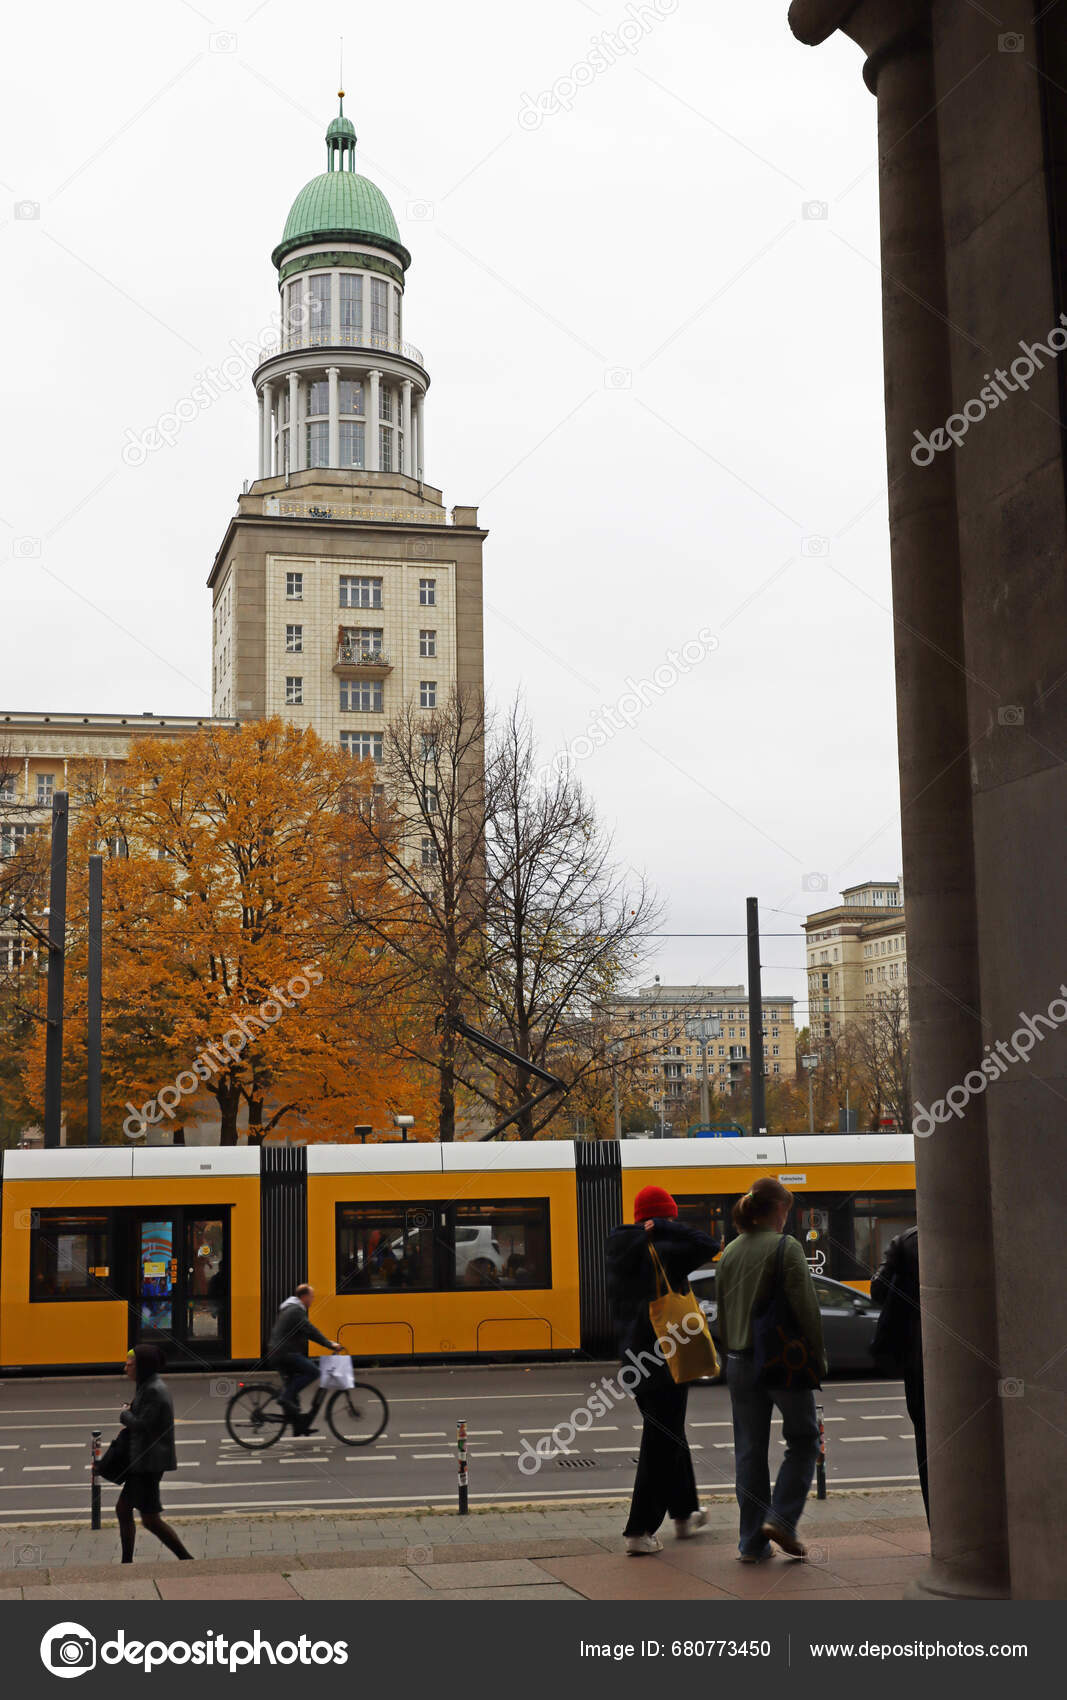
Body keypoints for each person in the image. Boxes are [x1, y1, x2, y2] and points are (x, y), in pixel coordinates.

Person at [715, 1177, 826, 1563]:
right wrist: (818, 1357)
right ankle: (781, 1519)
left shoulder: (729, 1252)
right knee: (804, 1439)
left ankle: (751, 1543)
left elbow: (724, 1315)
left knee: (749, 1451)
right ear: (778, 1210)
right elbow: (807, 1309)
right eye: (787, 1210)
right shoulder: (786, 1247)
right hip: (780, 1362)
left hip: (739, 1363)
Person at [606, 1185, 719, 1556]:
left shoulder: (620, 1251)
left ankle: (685, 1513)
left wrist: (649, 1227)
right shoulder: (668, 1250)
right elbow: (708, 1244)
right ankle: (639, 1530)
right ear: (665, 1216)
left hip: (634, 1362)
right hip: (667, 1356)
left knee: (669, 1434)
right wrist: (668, 1228)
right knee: (660, 1442)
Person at [116, 1344, 193, 1564]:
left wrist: (125, 1415)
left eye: (129, 1365)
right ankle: (128, 1561)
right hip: (145, 1460)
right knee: (129, 1510)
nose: (125, 1368)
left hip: (149, 1462)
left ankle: (185, 1558)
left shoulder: (153, 1390)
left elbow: (143, 1425)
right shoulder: (147, 1385)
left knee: (148, 1518)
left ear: (142, 1366)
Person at [871, 1225, 927, 1520]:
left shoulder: (905, 1242)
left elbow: (878, 1291)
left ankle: (940, 1526)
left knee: (927, 1443)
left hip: (919, 1357)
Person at [265, 1283, 340, 1436]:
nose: (313, 1300)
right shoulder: (296, 1311)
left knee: (293, 1388)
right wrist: (329, 1344)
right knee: (313, 1372)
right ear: (304, 1297)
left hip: (279, 1352)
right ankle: (285, 1398)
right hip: (285, 1353)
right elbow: (310, 1330)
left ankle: (299, 1426)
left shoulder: (291, 1308)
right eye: (311, 1296)